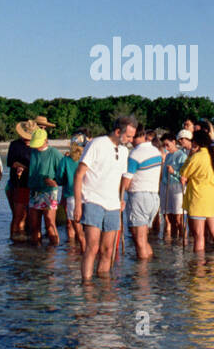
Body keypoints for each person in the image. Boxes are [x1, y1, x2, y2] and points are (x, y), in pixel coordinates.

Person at [73, 115, 136, 281]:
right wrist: (78, 205)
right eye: (128, 136)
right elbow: (79, 175)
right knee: (92, 247)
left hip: (113, 205)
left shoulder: (124, 151)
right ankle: (87, 285)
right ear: (117, 131)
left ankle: (104, 286)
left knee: (108, 250)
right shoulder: (97, 144)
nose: (131, 140)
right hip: (93, 200)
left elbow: (120, 178)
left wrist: (121, 198)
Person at [181, 130, 214, 251]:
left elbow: (183, 173)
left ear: (196, 142)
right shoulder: (213, 155)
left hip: (199, 199)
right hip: (212, 198)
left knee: (198, 235)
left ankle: (198, 266)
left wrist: (190, 154)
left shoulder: (196, 157)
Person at [125, 128, 163, 258]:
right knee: (143, 239)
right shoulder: (156, 151)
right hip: (153, 197)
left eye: (130, 137)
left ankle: (142, 274)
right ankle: (150, 265)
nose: (129, 141)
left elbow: (126, 182)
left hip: (139, 196)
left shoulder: (135, 154)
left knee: (139, 240)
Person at [26, 128, 62, 245]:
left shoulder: (54, 153)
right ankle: (37, 254)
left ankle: (53, 254)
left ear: (45, 140)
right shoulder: (33, 152)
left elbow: (63, 172)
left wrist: (55, 181)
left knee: (49, 223)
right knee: (34, 225)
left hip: (49, 192)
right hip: (34, 190)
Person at [7, 120, 35, 240]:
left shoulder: (36, 145)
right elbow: (10, 162)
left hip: (34, 184)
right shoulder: (15, 144)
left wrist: (26, 168)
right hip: (19, 184)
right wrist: (21, 167)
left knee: (31, 217)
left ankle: (28, 241)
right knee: (18, 215)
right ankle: (14, 240)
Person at [161, 130, 190, 242]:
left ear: (174, 142)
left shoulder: (181, 156)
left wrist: (174, 172)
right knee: (168, 216)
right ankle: (173, 242)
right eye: (164, 145)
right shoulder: (167, 156)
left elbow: (184, 175)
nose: (166, 147)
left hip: (177, 187)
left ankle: (183, 240)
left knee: (178, 218)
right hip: (166, 186)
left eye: (167, 145)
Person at [58, 142, 85, 253]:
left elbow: (59, 178)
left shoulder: (66, 160)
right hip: (89, 195)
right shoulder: (87, 159)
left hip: (72, 195)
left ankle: (73, 251)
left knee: (73, 226)